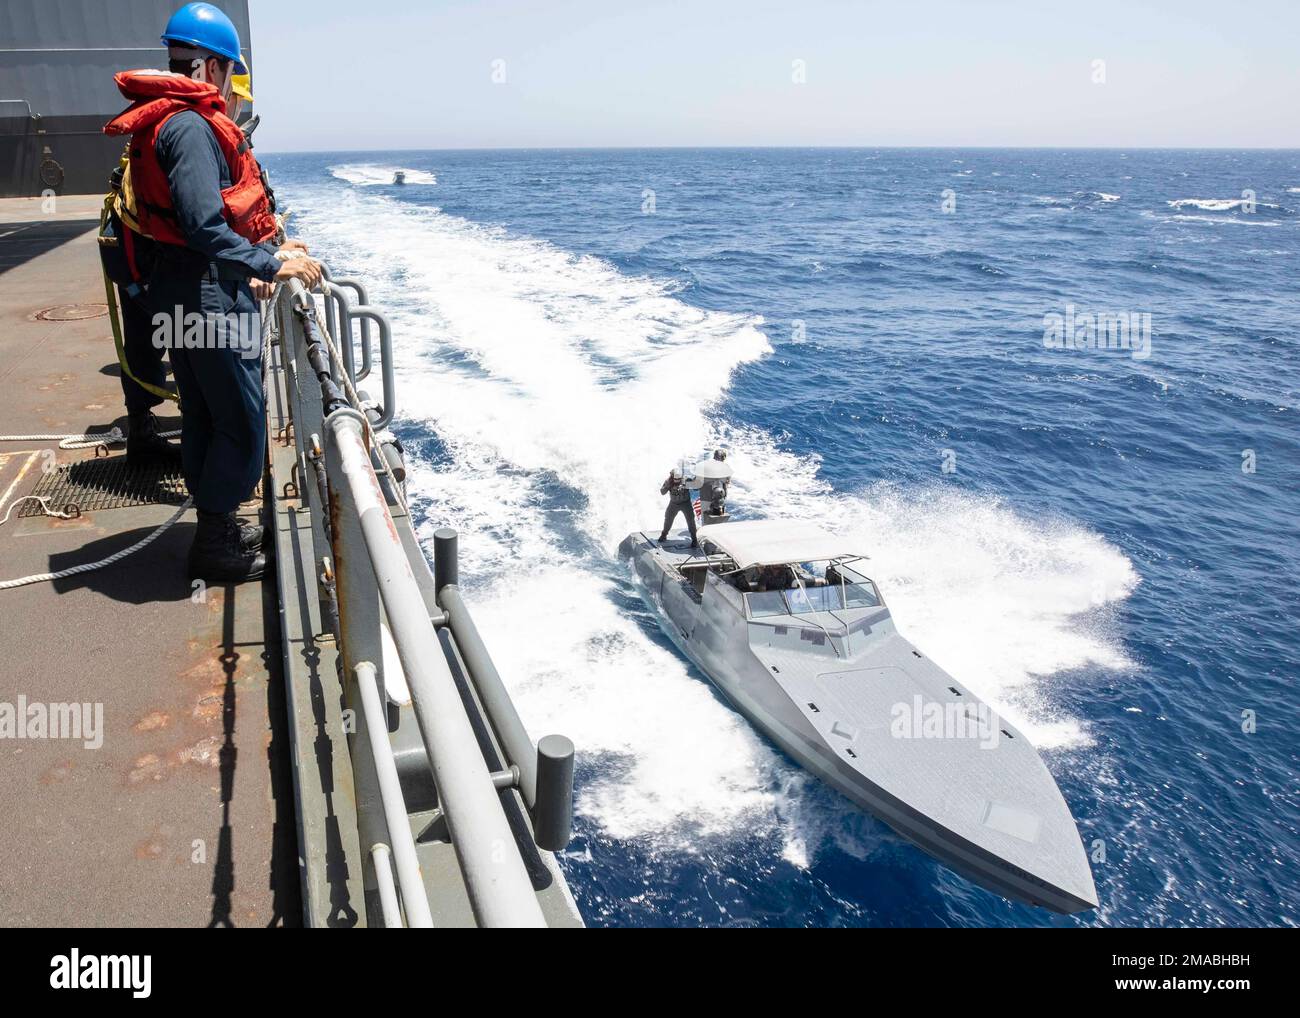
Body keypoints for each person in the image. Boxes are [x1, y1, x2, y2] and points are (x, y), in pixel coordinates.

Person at [104, 2, 322, 582]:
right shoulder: (192, 127)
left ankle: (215, 525)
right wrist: (270, 262)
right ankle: (218, 545)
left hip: (176, 290)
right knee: (243, 421)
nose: (229, 88)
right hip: (205, 298)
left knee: (204, 413)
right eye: (228, 72)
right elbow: (203, 224)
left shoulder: (165, 122)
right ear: (209, 69)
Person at [658, 466, 699, 547]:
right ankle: (664, 535)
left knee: (690, 520)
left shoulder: (686, 480)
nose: (677, 481)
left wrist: (694, 481)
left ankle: (694, 539)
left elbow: (696, 488)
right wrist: (667, 485)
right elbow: (662, 492)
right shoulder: (668, 481)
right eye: (675, 479)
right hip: (674, 504)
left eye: (678, 479)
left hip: (685, 503)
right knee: (668, 518)